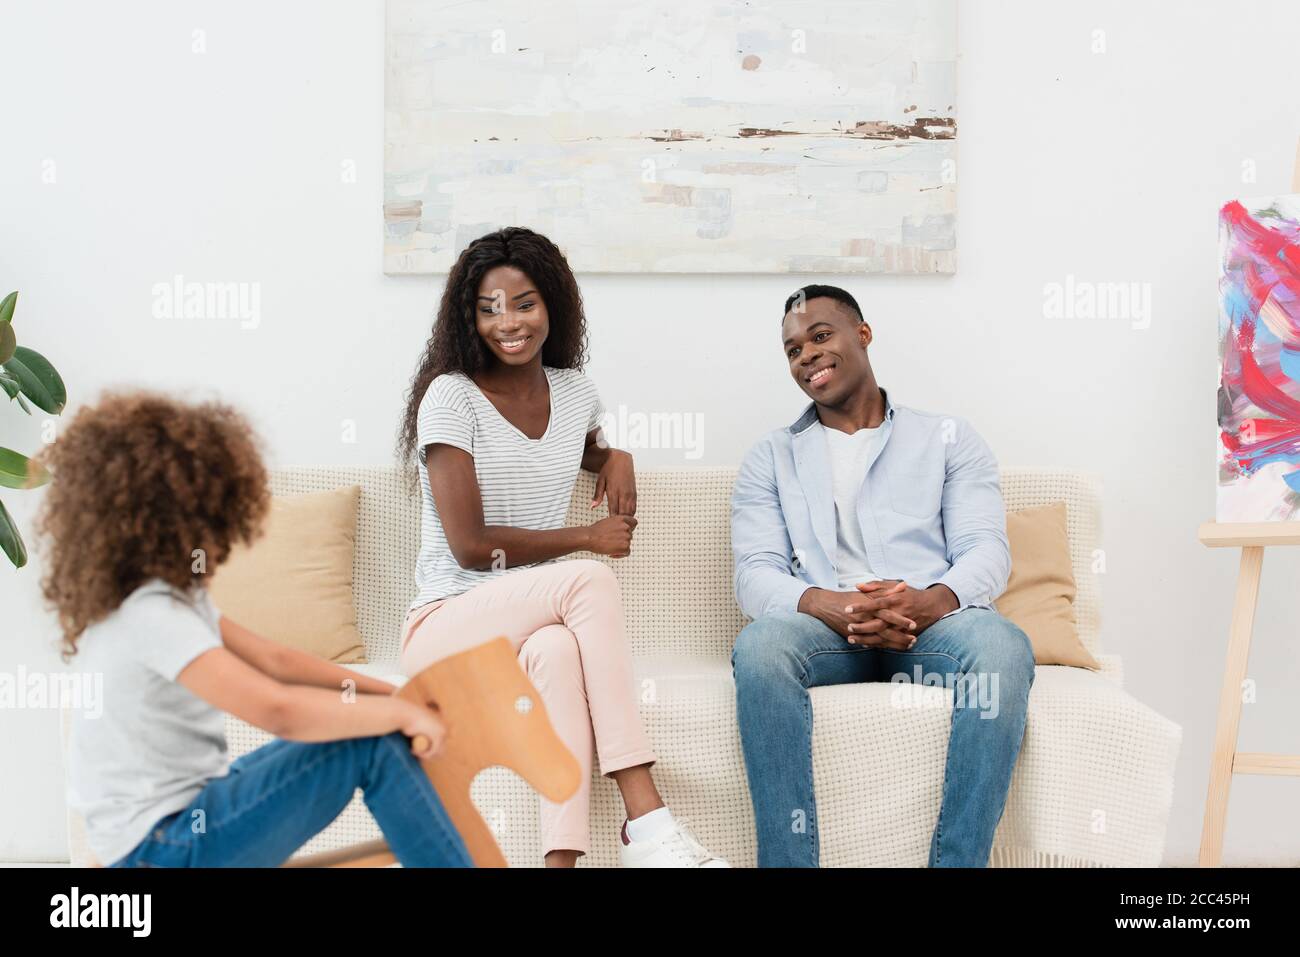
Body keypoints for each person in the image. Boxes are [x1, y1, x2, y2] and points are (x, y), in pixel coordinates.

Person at [397, 226, 727, 868]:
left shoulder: (574, 392)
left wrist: (615, 454)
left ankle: (561, 863)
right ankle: (648, 821)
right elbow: (469, 546)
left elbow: (562, 448)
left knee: (557, 648)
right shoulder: (451, 396)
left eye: (524, 303)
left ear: (552, 303)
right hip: (443, 627)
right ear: (468, 319)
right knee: (589, 579)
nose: (508, 323)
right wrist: (587, 538)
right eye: (487, 309)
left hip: (521, 631)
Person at [43, 391, 471, 868]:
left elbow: (278, 663)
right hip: (161, 851)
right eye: (215, 521)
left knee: (370, 725)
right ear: (172, 527)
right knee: (371, 739)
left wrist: (394, 695)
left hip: (179, 829)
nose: (226, 538)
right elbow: (276, 708)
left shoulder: (170, 600)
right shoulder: (152, 616)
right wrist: (403, 717)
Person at [730, 284, 1035, 867]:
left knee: (1002, 647)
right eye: (794, 350)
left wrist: (932, 601)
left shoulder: (948, 438)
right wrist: (828, 603)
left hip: (931, 628)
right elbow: (754, 574)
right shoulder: (769, 457)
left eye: (821, 337)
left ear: (862, 335)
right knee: (761, 647)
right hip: (825, 634)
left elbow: (986, 551)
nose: (808, 357)